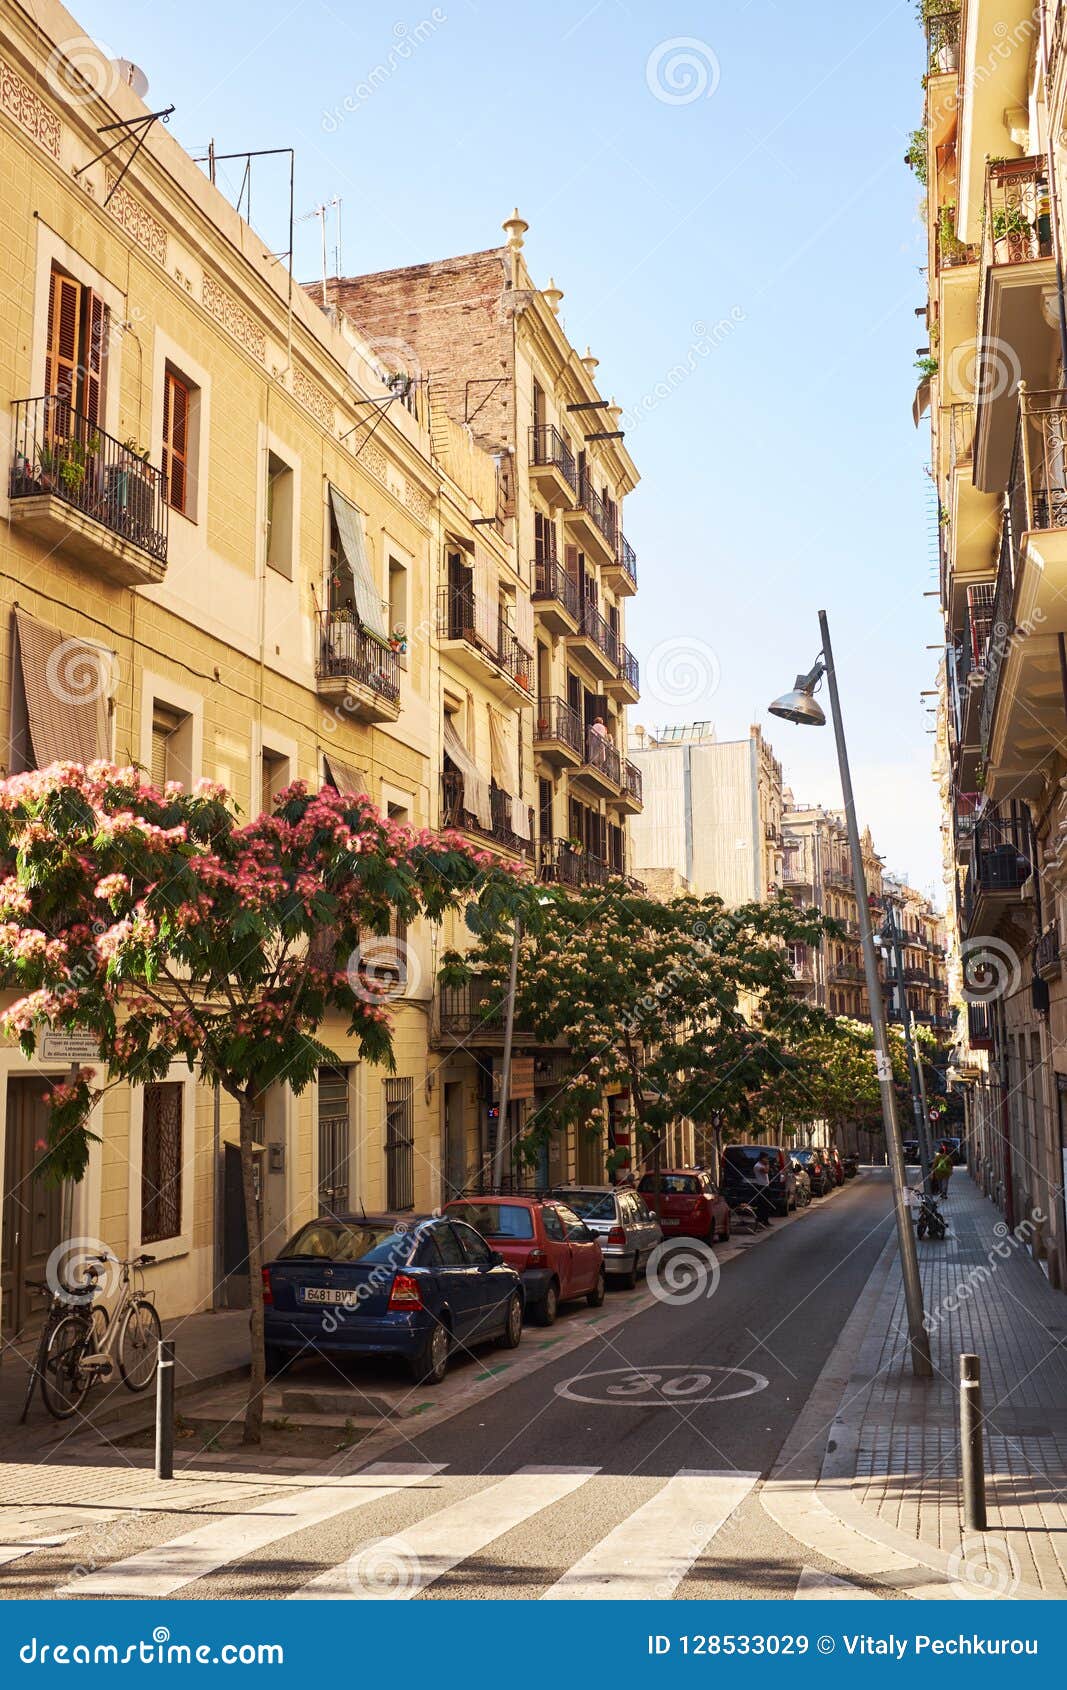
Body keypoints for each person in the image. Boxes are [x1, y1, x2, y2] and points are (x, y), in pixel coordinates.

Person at [751, 1153, 774, 1228]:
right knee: (762, 1204)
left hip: (766, 1186)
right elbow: (766, 1171)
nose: (767, 1160)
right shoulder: (757, 1166)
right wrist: (767, 1164)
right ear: (762, 1158)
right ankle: (761, 1220)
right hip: (761, 1187)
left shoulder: (762, 1165)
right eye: (766, 1158)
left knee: (766, 1204)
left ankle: (765, 1220)